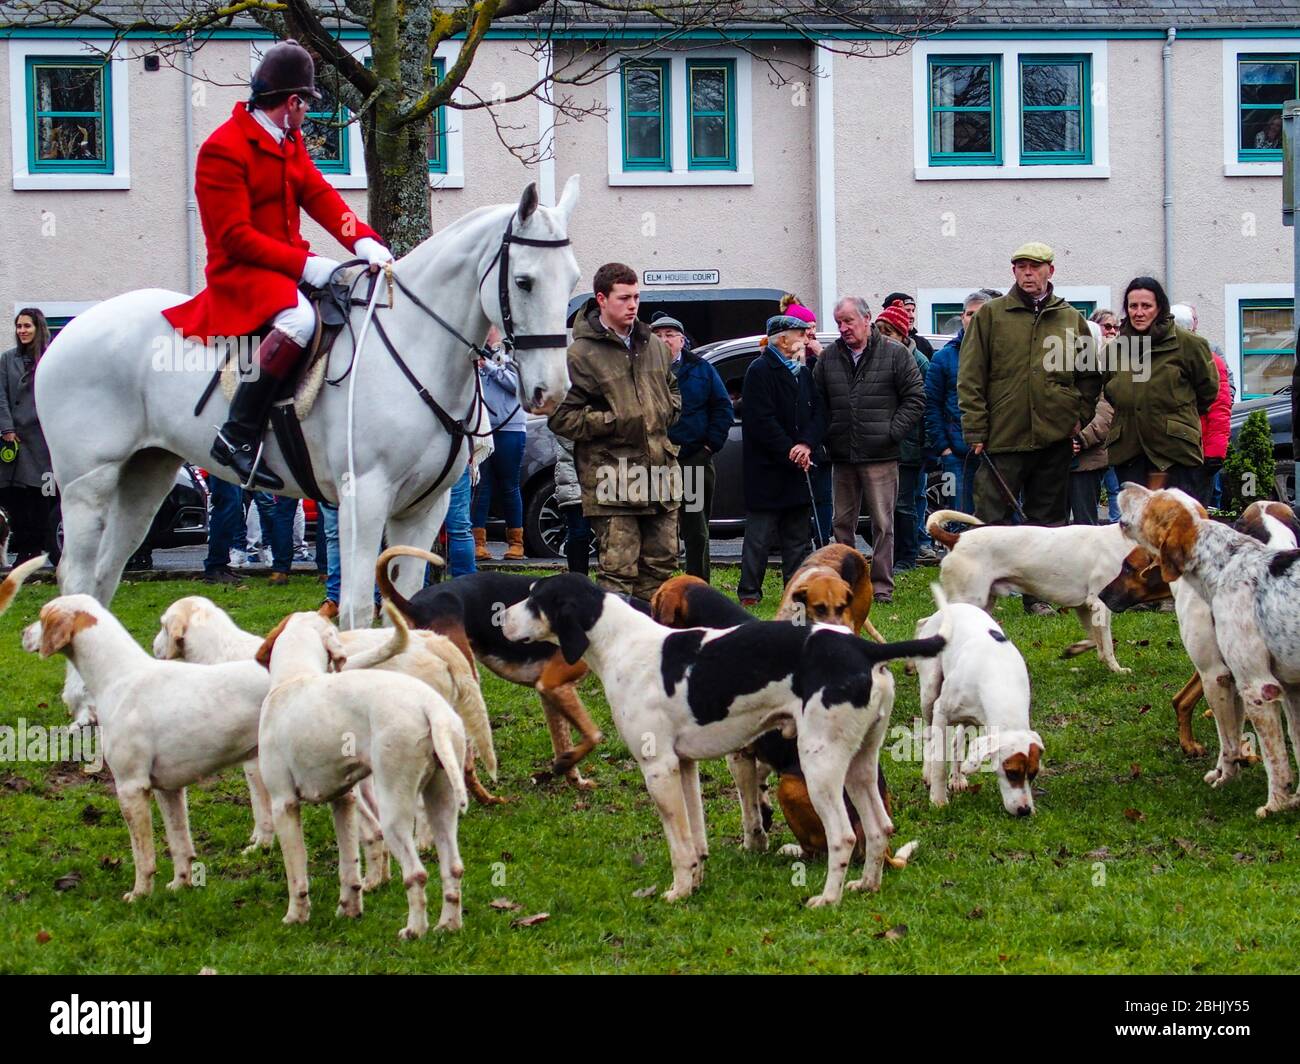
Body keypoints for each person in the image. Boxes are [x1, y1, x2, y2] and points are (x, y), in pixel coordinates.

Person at [163, 39, 392, 491]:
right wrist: (305, 265)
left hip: (281, 268)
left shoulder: (289, 142)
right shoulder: (223, 148)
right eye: (306, 103)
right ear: (291, 103)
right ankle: (237, 434)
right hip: (241, 272)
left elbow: (320, 195)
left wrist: (364, 239)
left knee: (345, 303)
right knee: (301, 319)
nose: (307, 112)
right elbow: (234, 236)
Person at [957, 242, 1101, 614]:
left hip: (1054, 438)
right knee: (991, 520)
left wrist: (1076, 419)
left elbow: (1089, 377)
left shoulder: (1071, 319)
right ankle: (979, 595)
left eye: (1034, 267)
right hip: (1001, 438)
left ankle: (1038, 597)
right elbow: (970, 376)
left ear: (1050, 271)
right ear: (1014, 272)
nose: (1027, 273)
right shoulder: (991, 316)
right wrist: (975, 430)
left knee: (1048, 525)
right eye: (1021, 266)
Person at [549, 263, 680, 600]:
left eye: (637, 297)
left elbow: (673, 391)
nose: (633, 305)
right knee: (619, 571)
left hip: (661, 471)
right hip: (612, 475)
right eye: (624, 298)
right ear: (602, 299)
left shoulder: (653, 345)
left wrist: (666, 410)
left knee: (662, 565)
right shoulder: (579, 355)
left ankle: (654, 642)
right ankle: (614, 646)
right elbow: (561, 418)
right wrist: (614, 420)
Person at [813, 296, 924, 605]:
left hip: (881, 455)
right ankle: (846, 581)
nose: (843, 328)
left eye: (848, 321)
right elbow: (818, 403)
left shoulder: (895, 354)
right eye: (838, 323)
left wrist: (892, 433)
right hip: (842, 454)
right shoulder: (829, 358)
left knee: (883, 525)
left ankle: (881, 587)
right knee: (842, 524)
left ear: (867, 319)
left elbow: (915, 397)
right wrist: (826, 437)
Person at [1102, 276, 1218, 495]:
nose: (1139, 312)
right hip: (1130, 453)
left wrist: (1172, 417)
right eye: (1133, 306)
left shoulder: (1190, 345)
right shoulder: (1114, 350)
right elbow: (1111, 392)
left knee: (1174, 524)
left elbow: (1207, 391)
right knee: (1137, 525)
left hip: (1175, 452)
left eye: (1146, 306)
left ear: (1160, 308)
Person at [738, 315, 825, 605]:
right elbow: (760, 420)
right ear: (783, 338)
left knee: (797, 539)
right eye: (800, 334)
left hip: (798, 470)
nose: (805, 338)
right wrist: (790, 450)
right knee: (759, 538)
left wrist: (807, 444)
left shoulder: (803, 372)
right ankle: (750, 593)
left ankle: (795, 593)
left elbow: (818, 413)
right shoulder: (760, 370)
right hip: (768, 470)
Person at [657, 314, 731, 581]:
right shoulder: (643, 368)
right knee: (656, 527)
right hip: (654, 462)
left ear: (682, 339)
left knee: (695, 528)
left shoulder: (701, 368)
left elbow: (722, 407)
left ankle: (697, 584)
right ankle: (658, 585)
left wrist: (709, 446)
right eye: (658, 335)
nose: (664, 340)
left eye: (669, 334)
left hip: (692, 460)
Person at [874, 303, 933, 569]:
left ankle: (907, 556)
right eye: (880, 331)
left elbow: (923, 405)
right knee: (885, 505)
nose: (884, 337)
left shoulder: (918, 361)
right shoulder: (876, 359)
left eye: (890, 332)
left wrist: (925, 445)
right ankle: (891, 556)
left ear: (902, 334)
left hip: (909, 445)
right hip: (883, 445)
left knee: (904, 504)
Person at [0, 308, 55, 563]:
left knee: (43, 495)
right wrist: (7, 429)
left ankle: (40, 546)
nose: (22, 331)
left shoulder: (51, 358)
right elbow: (1, 396)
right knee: (17, 497)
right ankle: (23, 548)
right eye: (19, 326)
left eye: (27, 326)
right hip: (15, 441)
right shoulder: (7, 360)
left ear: (38, 328)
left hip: (43, 440)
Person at [925, 290, 987, 518]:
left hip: (995, 454)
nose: (974, 318)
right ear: (962, 317)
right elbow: (931, 405)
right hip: (957, 455)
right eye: (970, 314)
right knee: (960, 520)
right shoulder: (943, 358)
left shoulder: (1000, 354)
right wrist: (944, 448)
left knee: (998, 524)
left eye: (980, 314)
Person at [781, 295, 834, 547]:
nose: (811, 333)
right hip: (792, 444)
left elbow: (831, 391)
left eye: (813, 327)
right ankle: (798, 541)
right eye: (806, 328)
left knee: (823, 496)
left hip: (819, 443)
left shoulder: (820, 356)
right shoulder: (783, 362)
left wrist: (820, 355)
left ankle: (823, 540)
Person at [472, 328, 527, 561]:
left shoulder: (513, 355)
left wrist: (492, 364)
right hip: (483, 428)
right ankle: (477, 543)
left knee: (509, 486)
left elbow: (517, 384)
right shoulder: (475, 353)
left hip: (510, 428)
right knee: (482, 486)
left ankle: (516, 543)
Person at [1068, 323, 1115, 525]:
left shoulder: (1105, 368)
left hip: (1088, 460)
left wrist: (1080, 438)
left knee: (1085, 523)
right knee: (1053, 524)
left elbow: (1106, 412)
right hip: (1058, 457)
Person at [553, 435, 592, 575]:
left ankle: (606, 585)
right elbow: (564, 432)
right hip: (574, 475)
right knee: (579, 533)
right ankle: (578, 582)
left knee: (608, 535)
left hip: (603, 476)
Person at [201, 475, 246, 584]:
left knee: (232, 504)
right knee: (229, 503)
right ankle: (216, 565)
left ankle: (219, 564)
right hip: (225, 462)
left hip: (227, 463)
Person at [881, 291, 935, 358]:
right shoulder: (875, 343)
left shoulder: (923, 344)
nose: (912, 316)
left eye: (913, 311)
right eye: (907, 310)